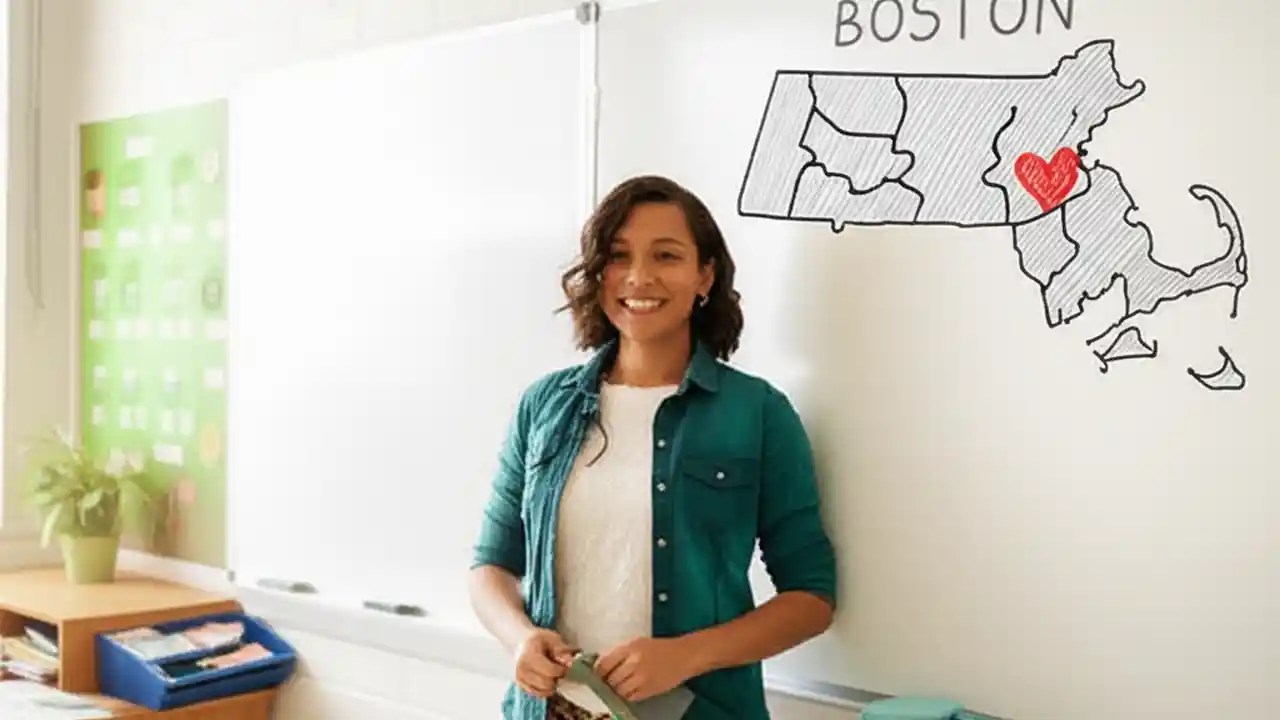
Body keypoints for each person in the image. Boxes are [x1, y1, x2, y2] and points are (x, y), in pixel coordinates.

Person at [469, 175, 837, 719]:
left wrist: (685, 657)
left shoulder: (758, 413)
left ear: (704, 275)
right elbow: (490, 566)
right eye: (618, 256)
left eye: (666, 256)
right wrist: (520, 639)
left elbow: (811, 598)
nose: (639, 277)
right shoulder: (543, 406)